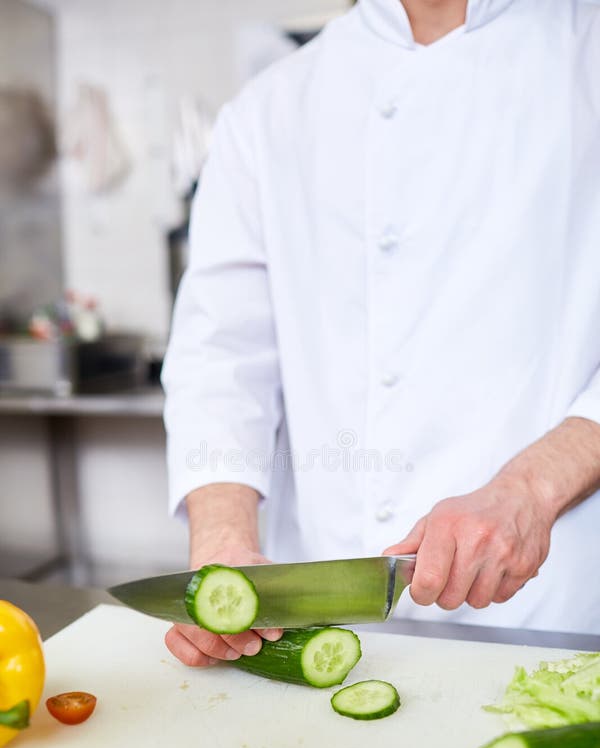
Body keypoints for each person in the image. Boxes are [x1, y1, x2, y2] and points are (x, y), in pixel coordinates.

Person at [161, 0, 600, 667]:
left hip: (550, 617)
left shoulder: (585, 52)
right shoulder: (267, 108)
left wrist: (532, 490)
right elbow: (220, 356)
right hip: (322, 618)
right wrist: (222, 540)